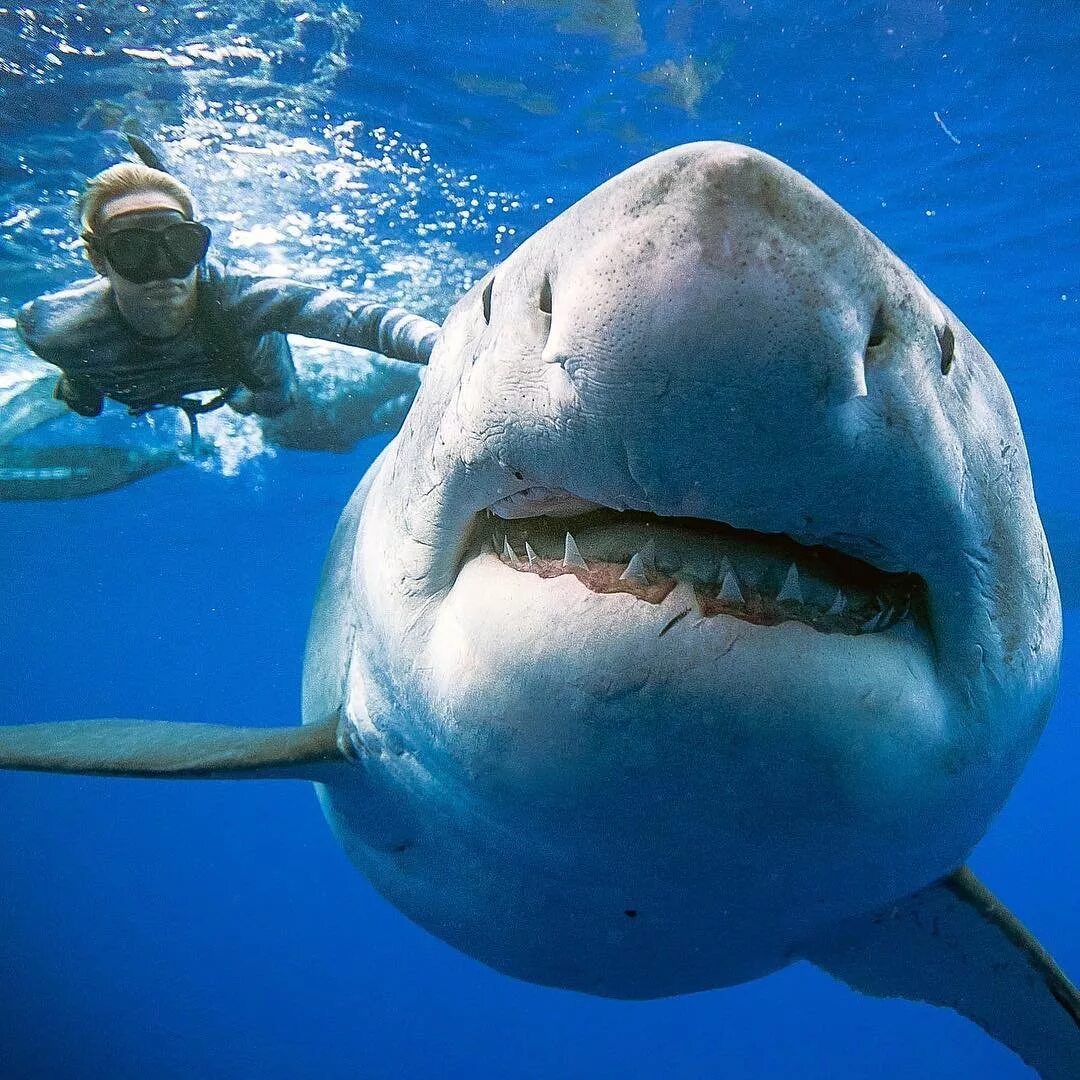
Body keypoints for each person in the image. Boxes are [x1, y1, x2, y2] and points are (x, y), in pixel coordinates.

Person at [16, 156, 439, 429]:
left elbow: (364, 320)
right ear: (99, 261)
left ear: (199, 246)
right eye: (133, 249)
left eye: (179, 245)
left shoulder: (243, 301)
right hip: (125, 381)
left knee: (273, 407)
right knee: (82, 402)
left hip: (240, 372)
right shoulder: (51, 328)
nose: (163, 271)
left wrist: (442, 346)